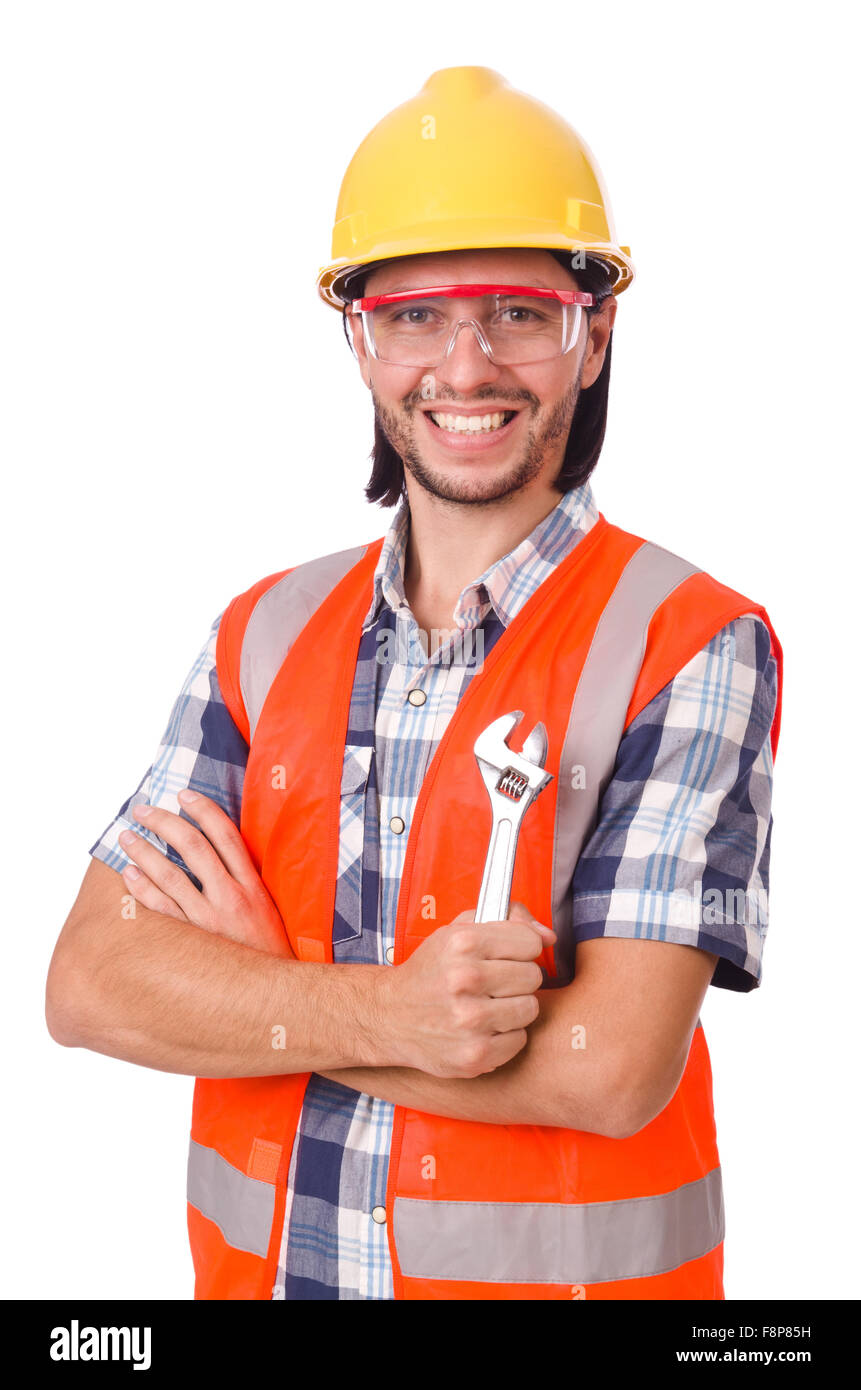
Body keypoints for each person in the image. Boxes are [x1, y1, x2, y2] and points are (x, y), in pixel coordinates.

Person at [46, 66, 783, 1301]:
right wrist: (390, 1011)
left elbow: (611, 1069)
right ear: (358, 339)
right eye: (416, 317)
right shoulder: (262, 633)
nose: (466, 365)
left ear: (594, 333)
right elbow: (89, 985)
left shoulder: (688, 640)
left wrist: (257, 992)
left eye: (519, 313)